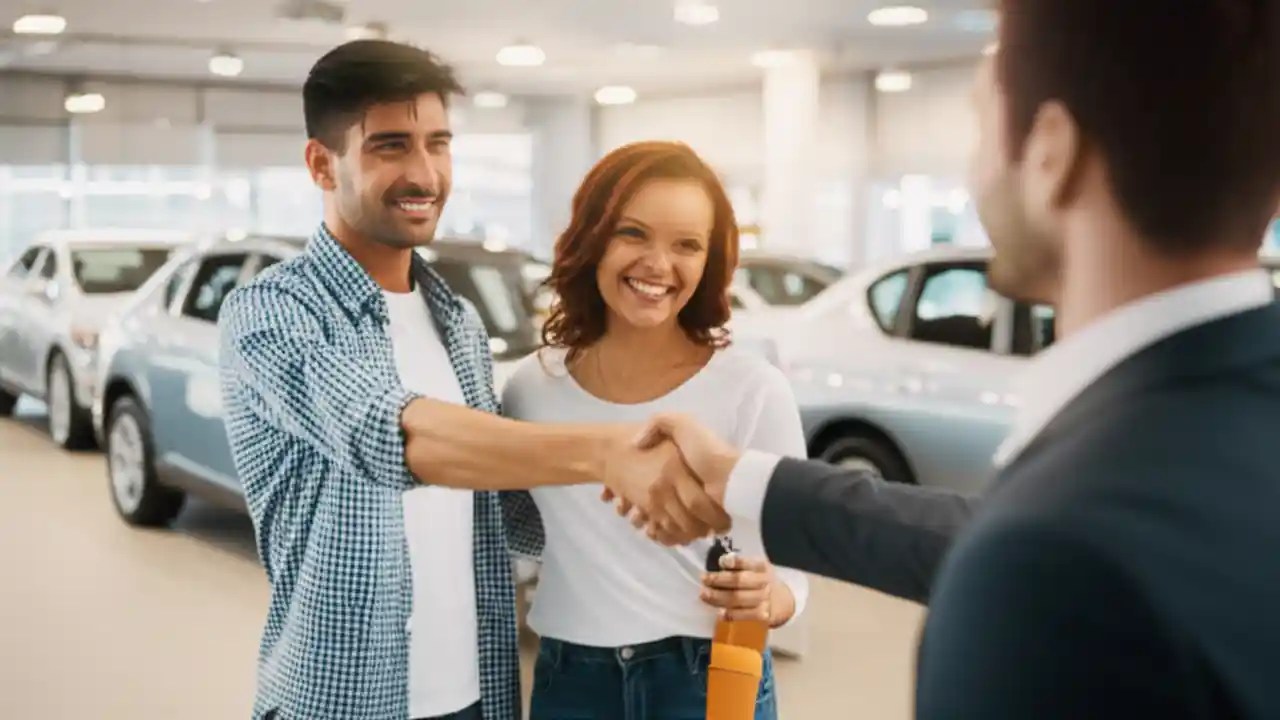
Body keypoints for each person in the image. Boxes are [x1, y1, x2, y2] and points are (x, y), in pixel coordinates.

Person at [621, 1, 1280, 717]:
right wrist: (741, 479)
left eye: (978, 123)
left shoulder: (1055, 566)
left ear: (1051, 155)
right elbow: (982, 528)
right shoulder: (1216, 432)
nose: (973, 165)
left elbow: (1032, 550)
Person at [218, 40, 722, 720]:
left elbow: (515, 514)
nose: (425, 173)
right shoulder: (272, 312)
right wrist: (607, 449)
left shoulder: (454, 319)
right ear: (321, 164)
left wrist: (716, 519)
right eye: (391, 146)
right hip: (340, 704)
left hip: (477, 697)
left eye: (439, 143)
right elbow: (391, 435)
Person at [501, 141, 809, 720]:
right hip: (572, 683)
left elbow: (793, 568)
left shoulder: (751, 387)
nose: (658, 265)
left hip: (704, 677)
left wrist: (772, 597)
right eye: (633, 233)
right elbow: (516, 532)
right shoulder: (530, 389)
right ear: (592, 238)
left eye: (687, 245)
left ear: (709, 261)